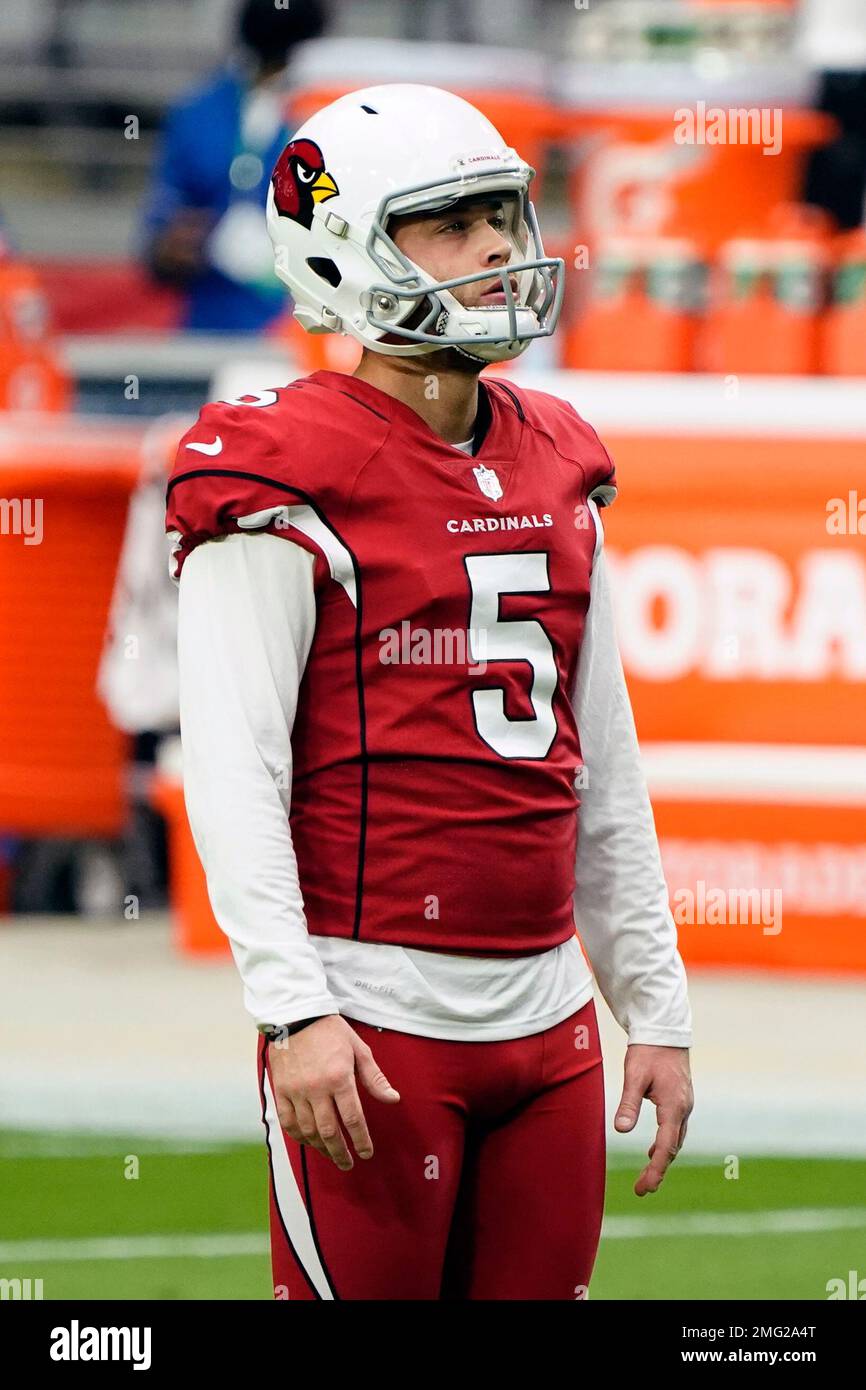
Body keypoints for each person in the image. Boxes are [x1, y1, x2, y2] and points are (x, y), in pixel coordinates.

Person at [165, 83, 694, 1301]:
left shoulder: (557, 452)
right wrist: (293, 1013)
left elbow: (598, 759)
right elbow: (235, 766)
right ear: (342, 251)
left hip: (549, 1019)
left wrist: (650, 1008)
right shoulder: (283, 468)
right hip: (373, 1013)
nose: (499, 245)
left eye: (501, 212)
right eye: (449, 222)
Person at [140, 0, 326, 331]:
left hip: (310, 332)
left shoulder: (332, 114)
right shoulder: (198, 114)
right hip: (216, 327)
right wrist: (168, 247)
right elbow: (157, 239)